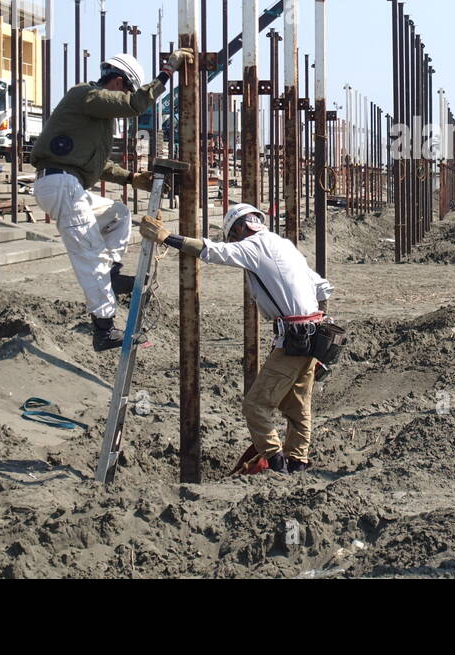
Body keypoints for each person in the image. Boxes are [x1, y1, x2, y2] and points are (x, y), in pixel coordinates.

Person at [140, 202, 334, 475]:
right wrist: (318, 319)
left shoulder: (254, 245)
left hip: (295, 340)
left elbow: (213, 251)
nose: (234, 241)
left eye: (233, 235)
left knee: (255, 406)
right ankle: (297, 462)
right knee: (296, 404)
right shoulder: (284, 246)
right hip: (313, 335)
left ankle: (276, 465)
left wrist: (167, 238)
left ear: (242, 227)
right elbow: (322, 287)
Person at [31, 49, 192, 350]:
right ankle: (104, 329)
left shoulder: (93, 119)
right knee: (90, 255)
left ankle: (113, 275)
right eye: (126, 89)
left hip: (68, 184)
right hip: (61, 184)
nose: (126, 96)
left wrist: (132, 178)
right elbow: (134, 104)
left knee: (117, 213)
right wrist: (167, 72)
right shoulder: (85, 94)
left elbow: (97, 165)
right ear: (118, 82)